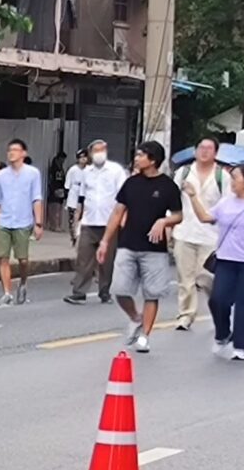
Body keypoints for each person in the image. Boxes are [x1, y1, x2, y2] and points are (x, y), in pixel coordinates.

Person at [183, 162, 244, 362]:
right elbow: (205, 217)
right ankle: (223, 333)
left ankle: (241, 345)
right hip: (226, 260)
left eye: (235, 177)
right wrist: (192, 196)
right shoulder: (226, 203)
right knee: (218, 299)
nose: (232, 181)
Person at [98, 140, 182, 352]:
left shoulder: (168, 186)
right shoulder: (131, 183)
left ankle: (145, 335)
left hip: (155, 248)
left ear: (152, 160)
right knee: (119, 289)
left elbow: (179, 215)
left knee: (151, 293)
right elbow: (117, 213)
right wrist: (105, 241)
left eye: (140, 155)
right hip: (127, 244)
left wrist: (164, 221)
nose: (136, 159)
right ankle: (135, 317)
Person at [170, 137, 226, 330]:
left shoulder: (222, 176)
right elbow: (173, 201)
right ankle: (186, 315)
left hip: (212, 235)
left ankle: (216, 307)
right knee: (185, 278)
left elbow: (228, 206)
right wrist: (169, 225)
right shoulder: (184, 173)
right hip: (185, 231)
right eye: (201, 147)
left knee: (206, 277)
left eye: (209, 148)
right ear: (195, 151)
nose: (204, 151)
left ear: (216, 153)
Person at [65, 140, 127, 304]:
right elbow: (83, 198)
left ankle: (105, 291)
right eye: (96, 150)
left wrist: (122, 219)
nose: (100, 152)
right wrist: (78, 219)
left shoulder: (116, 171)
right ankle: (79, 292)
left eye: (102, 149)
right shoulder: (87, 173)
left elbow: (124, 197)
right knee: (83, 258)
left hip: (109, 223)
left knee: (107, 261)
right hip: (89, 221)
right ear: (91, 153)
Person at [0, 138, 44, 305]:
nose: (11, 153)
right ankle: (7, 292)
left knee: (23, 259)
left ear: (23, 153)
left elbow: (36, 198)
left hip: (23, 221)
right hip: (4, 221)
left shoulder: (33, 173)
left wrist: (39, 223)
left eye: (15, 150)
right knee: (3, 258)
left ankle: (23, 283)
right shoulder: (1, 175)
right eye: (9, 150)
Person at [64, 149, 88, 244]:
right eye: (81, 157)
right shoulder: (73, 170)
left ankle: (79, 234)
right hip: (74, 191)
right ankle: (73, 235)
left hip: (84, 193)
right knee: (72, 216)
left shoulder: (88, 170)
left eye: (84, 157)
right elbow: (67, 183)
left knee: (82, 216)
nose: (83, 159)